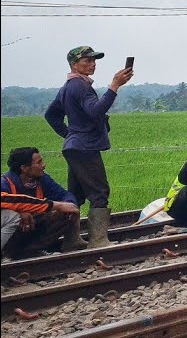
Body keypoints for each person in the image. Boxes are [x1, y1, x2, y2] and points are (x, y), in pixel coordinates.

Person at [44, 46, 133, 248]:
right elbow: (95, 111)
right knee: (99, 193)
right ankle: (98, 240)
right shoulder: (80, 86)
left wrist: (70, 135)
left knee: (75, 194)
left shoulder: (67, 86)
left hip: (75, 147)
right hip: (85, 148)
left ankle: (71, 240)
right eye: (87, 61)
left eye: (94, 60)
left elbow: (51, 115)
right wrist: (115, 86)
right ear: (74, 64)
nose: (92, 64)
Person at [1, 147, 85, 257]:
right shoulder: (5, 183)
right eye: (39, 162)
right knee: (15, 217)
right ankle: (8, 252)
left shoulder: (42, 179)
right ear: (24, 168)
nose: (44, 165)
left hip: (33, 223)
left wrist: (69, 204)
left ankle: (33, 249)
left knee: (67, 212)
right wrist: (21, 212)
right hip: (13, 228)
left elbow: (63, 194)